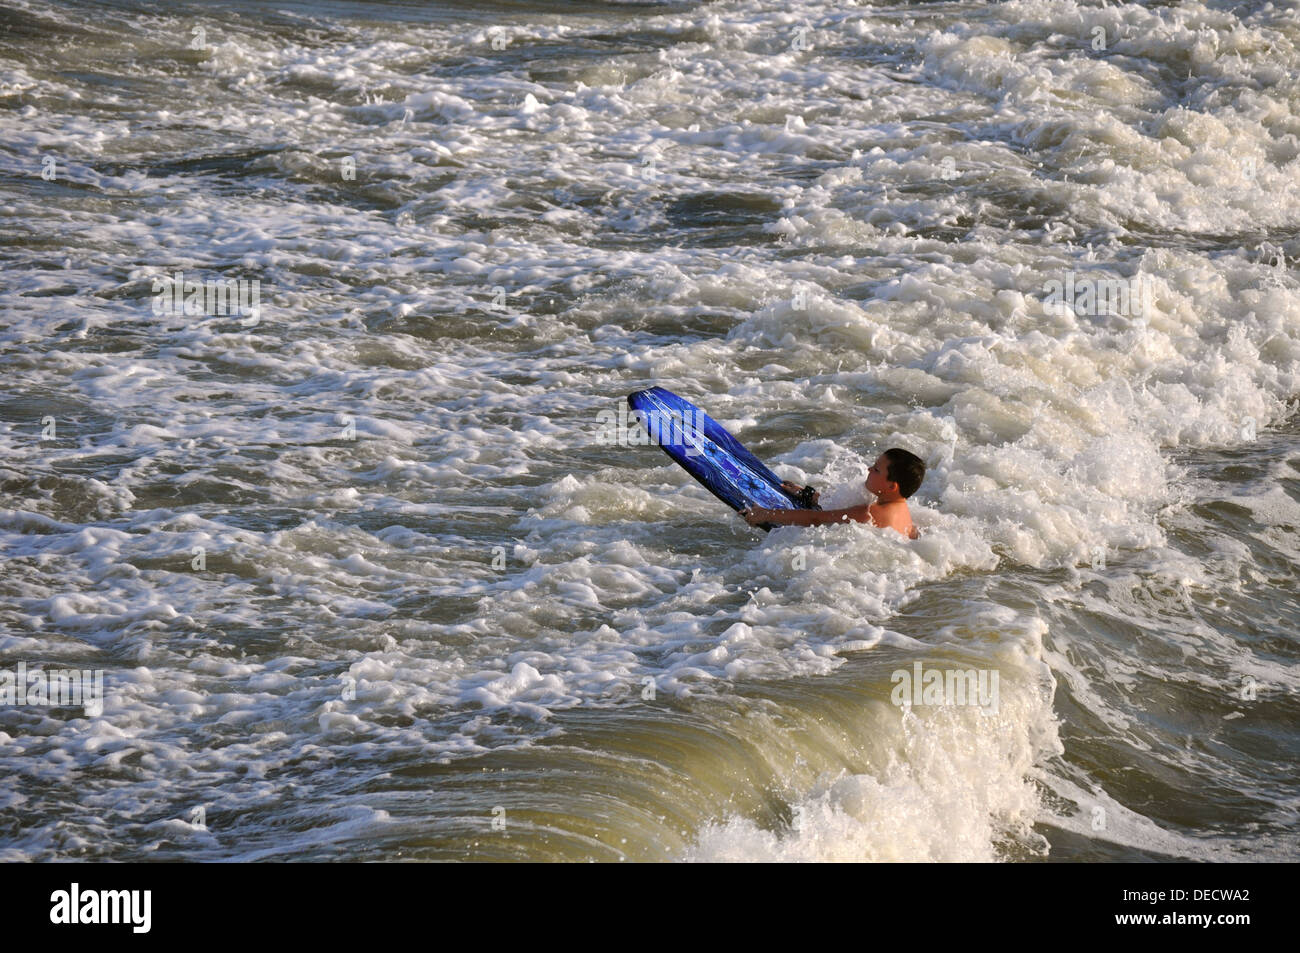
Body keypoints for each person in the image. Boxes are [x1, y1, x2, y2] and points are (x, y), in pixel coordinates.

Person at [741, 448, 925, 540]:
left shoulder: (869, 513)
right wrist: (809, 496)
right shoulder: (903, 512)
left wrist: (766, 514)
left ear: (892, 486)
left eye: (876, 469)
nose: (869, 469)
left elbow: (817, 518)